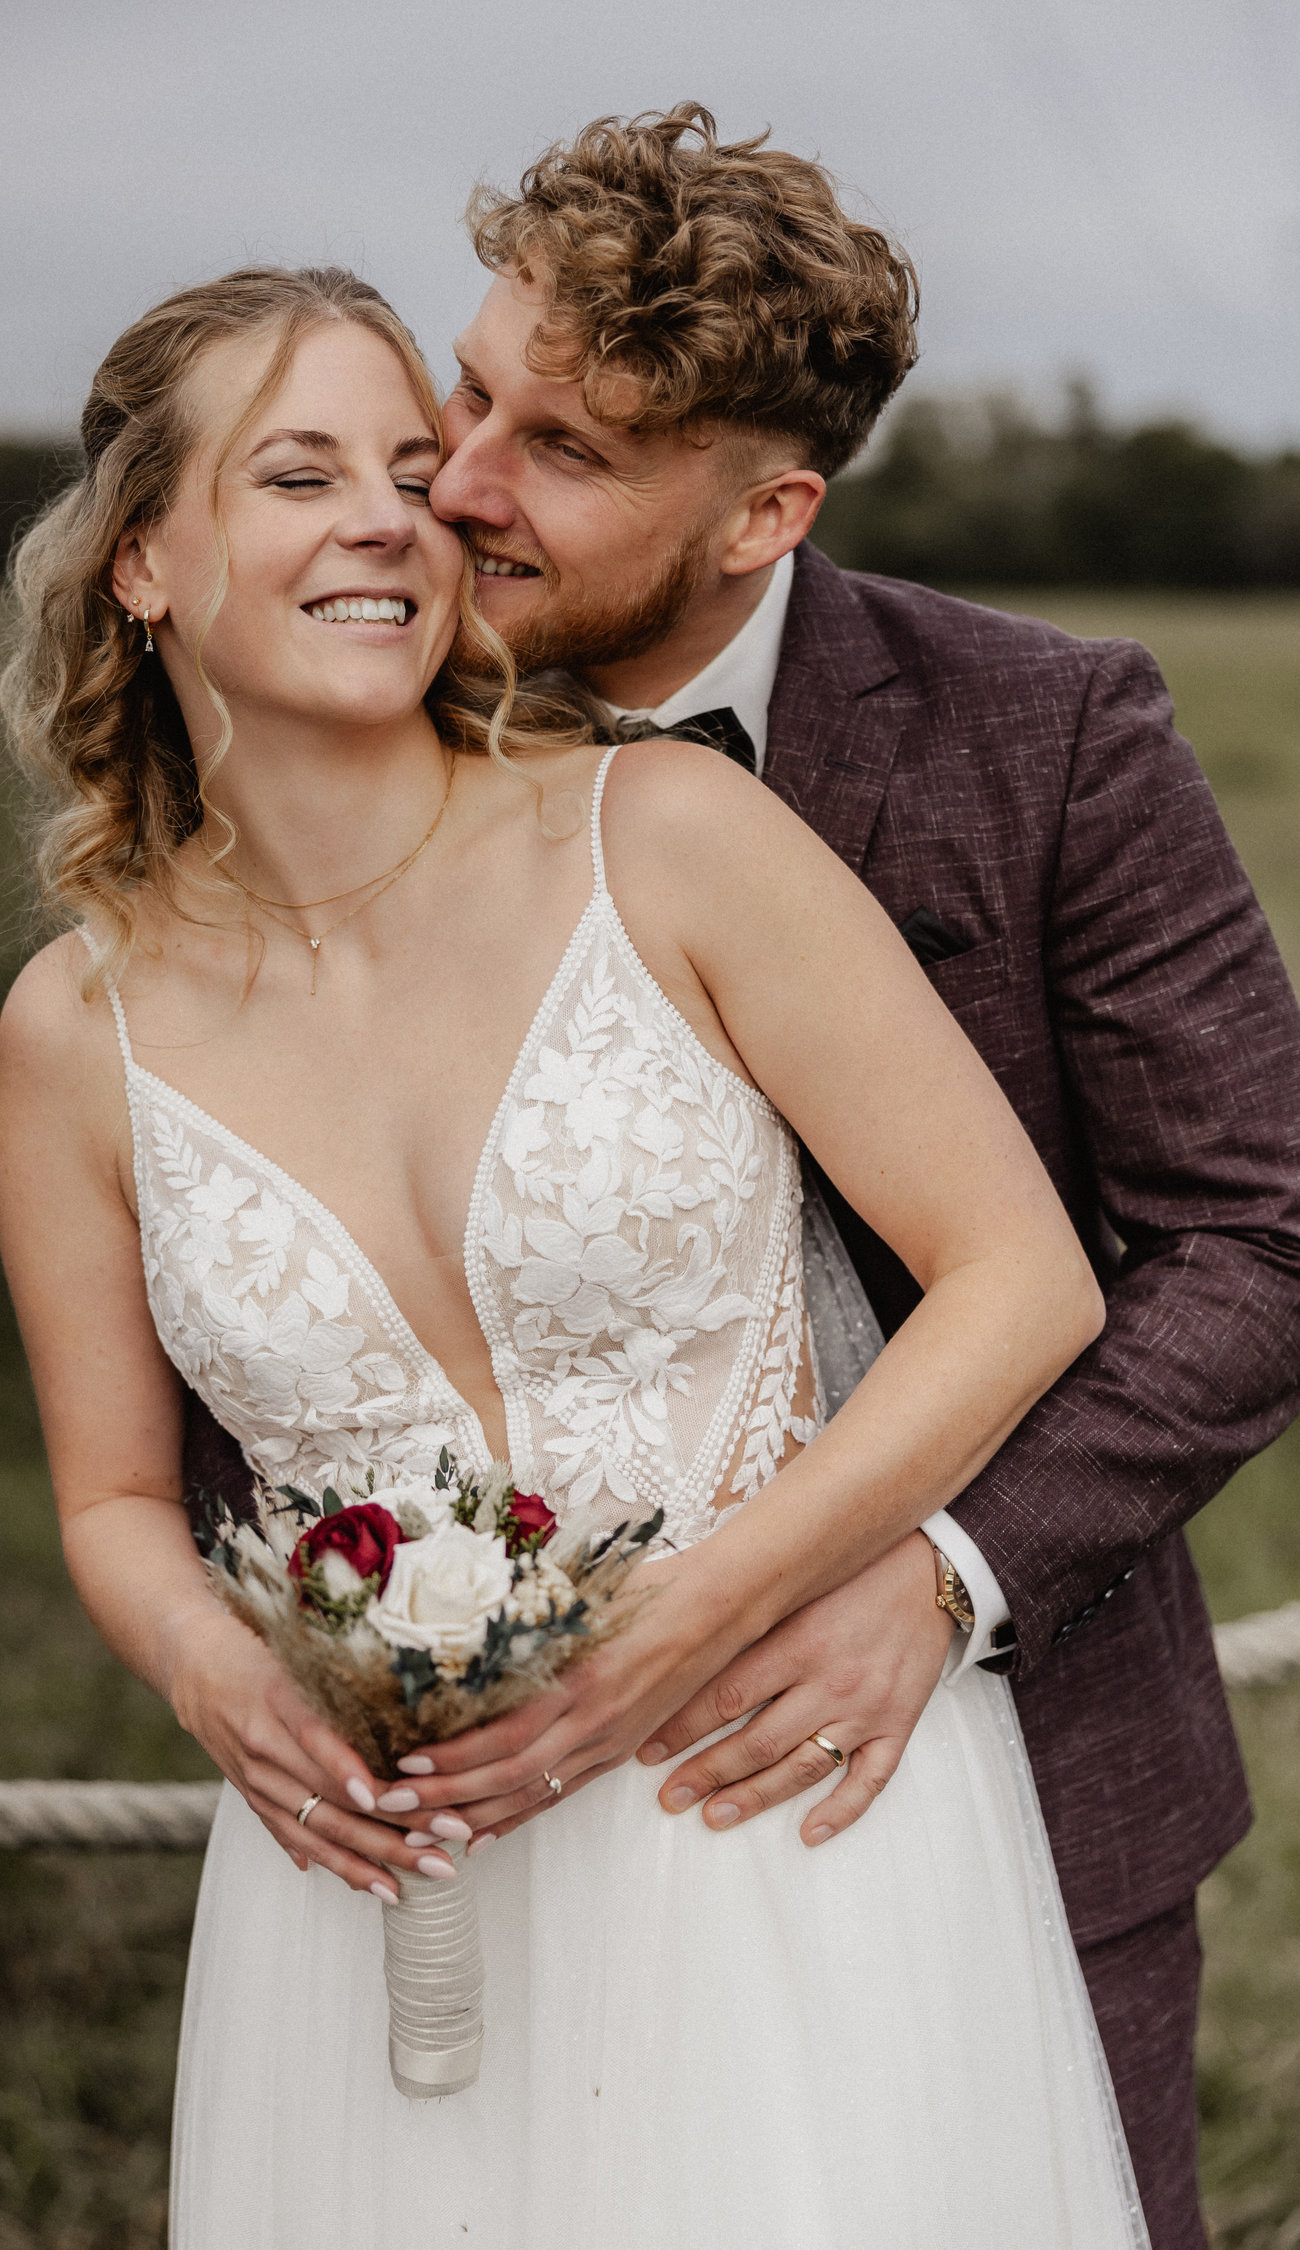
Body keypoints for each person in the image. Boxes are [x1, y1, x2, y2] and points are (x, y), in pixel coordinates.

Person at [174, 107, 1300, 2250]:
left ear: (764, 511)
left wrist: (945, 1582)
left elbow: (1262, 1233)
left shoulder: (1043, 740)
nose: (463, 480)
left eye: (569, 449)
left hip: (985, 1771)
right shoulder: (327, 740)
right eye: (469, 386)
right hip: (457, 1854)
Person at [0, 263, 1150, 2247]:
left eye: (408, 463)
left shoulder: (671, 834)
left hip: (775, 1803)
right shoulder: (73, 1026)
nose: (390, 513)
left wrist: (681, 1628)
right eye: (297, 473)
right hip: (370, 1892)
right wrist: (217, 1679)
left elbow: (1017, 1275)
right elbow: (109, 1493)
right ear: (142, 564)